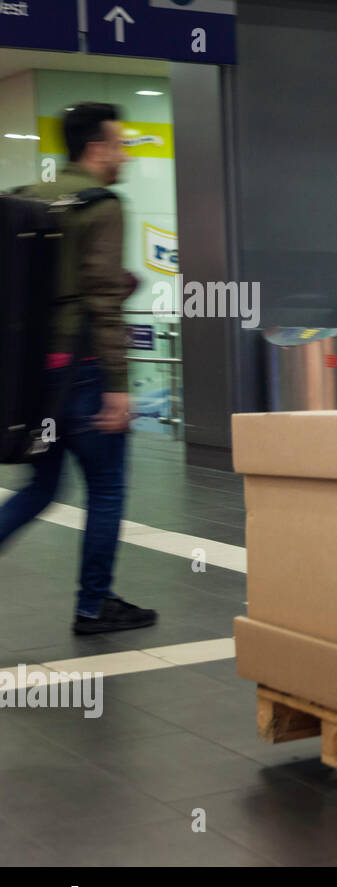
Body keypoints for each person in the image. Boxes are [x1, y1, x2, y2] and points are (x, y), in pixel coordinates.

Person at [0, 102, 158, 635]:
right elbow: (102, 298)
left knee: (42, 488)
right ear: (96, 149)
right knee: (107, 486)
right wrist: (118, 386)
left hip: (33, 373)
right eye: (118, 146)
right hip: (84, 370)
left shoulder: (26, 198)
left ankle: (98, 601)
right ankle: (94, 605)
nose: (124, 158)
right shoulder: (104, 205)